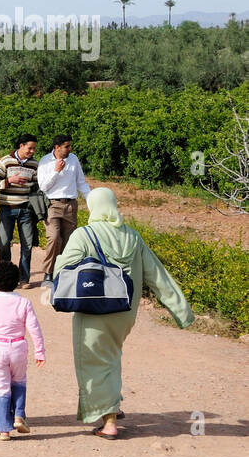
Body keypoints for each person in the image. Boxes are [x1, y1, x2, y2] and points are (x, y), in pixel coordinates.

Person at [53, 188, 192, 439]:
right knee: (112, 355)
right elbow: (156, 274)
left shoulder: (84, 234)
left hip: (94, 310)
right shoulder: (133, 236)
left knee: (94, 362)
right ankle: (113, 402)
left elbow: (62, 268)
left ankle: (108, 422)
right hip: (126, 311)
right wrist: (182, 312)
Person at [0, 261, 46, 441]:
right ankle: (19, 416)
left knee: (1, 388)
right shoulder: (24, 302)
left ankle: (3, 429)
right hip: (19, 347)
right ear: (17, 281)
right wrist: (40, 352)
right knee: (19, 382)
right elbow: (34, 329)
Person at [38, 134, 91, 286]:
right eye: (66, 146)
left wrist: (91, 201)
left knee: (69, 241)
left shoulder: (74, 159)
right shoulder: (45, 161)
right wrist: (56, 171)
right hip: (52, 204)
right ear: (57, 147)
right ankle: (48, 273)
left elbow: (81, 182)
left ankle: (64, 272)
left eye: (69, 146)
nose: (70, 149)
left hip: (70, 205)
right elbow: (43, 187)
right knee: (54, 238)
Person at [0, 133, 40, 286]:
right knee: (4, 242)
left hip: (26, 210)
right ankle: (6, 276)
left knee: (27, 245)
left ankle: (23, 278)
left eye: (34, 149)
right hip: (7, 208)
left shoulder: (35, 164)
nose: (32, 151)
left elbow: (37, 186)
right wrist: (9, 181)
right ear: (21, 146)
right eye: (30, 148)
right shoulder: (6, 161)